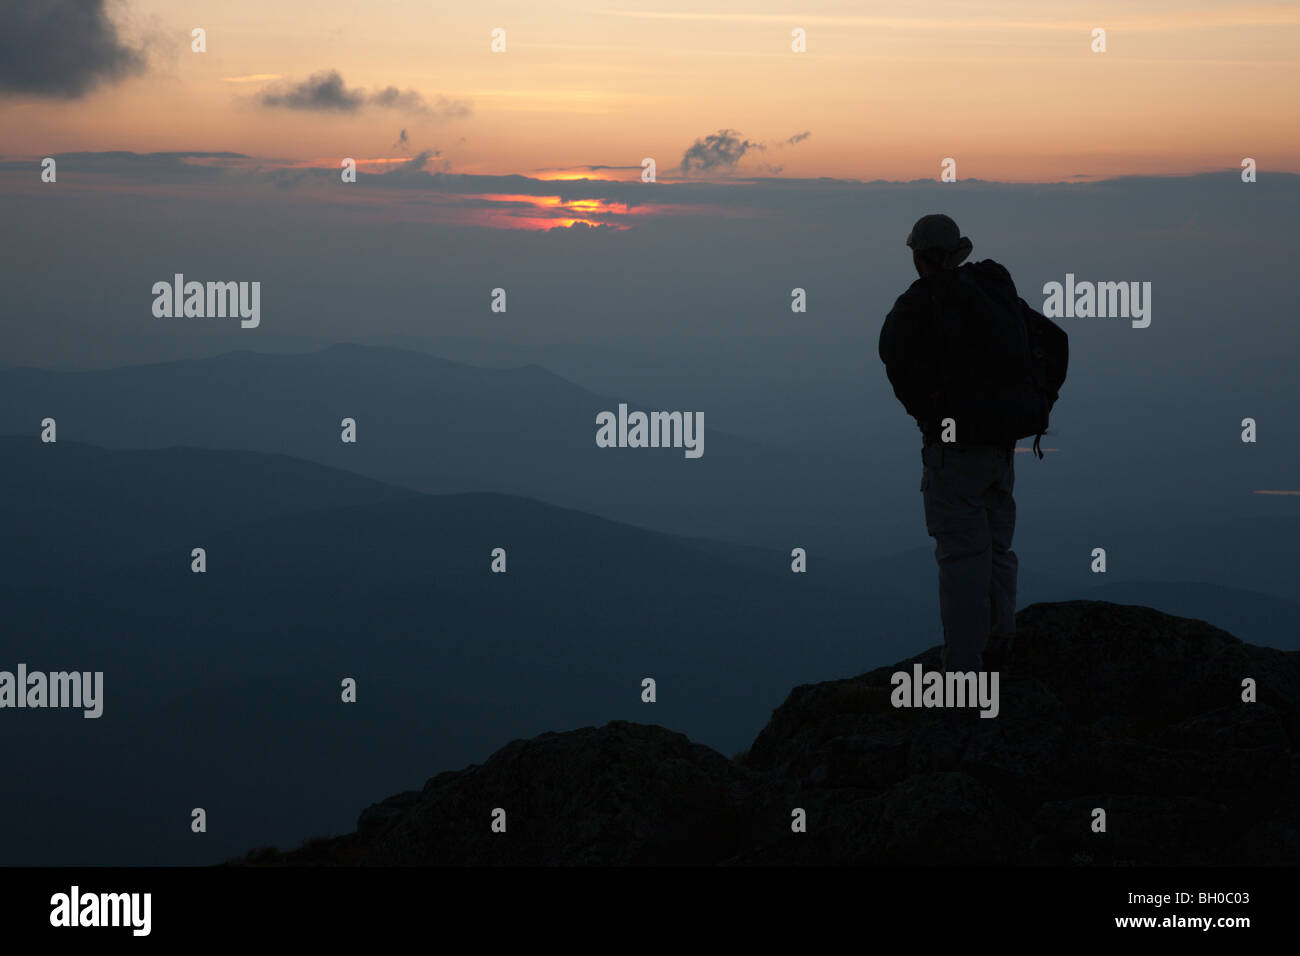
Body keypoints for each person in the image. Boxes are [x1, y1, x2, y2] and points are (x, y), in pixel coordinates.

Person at [878, 214, 1021, 674]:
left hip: (952, 453)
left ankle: (963, 669)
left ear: (920, 257)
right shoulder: (990, 289)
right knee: (996, 548)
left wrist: (931, 416)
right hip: (1000, 446)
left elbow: (897, 364)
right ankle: (1001, 643)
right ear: (958, 252)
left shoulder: (918, 306)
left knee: (961, 558)